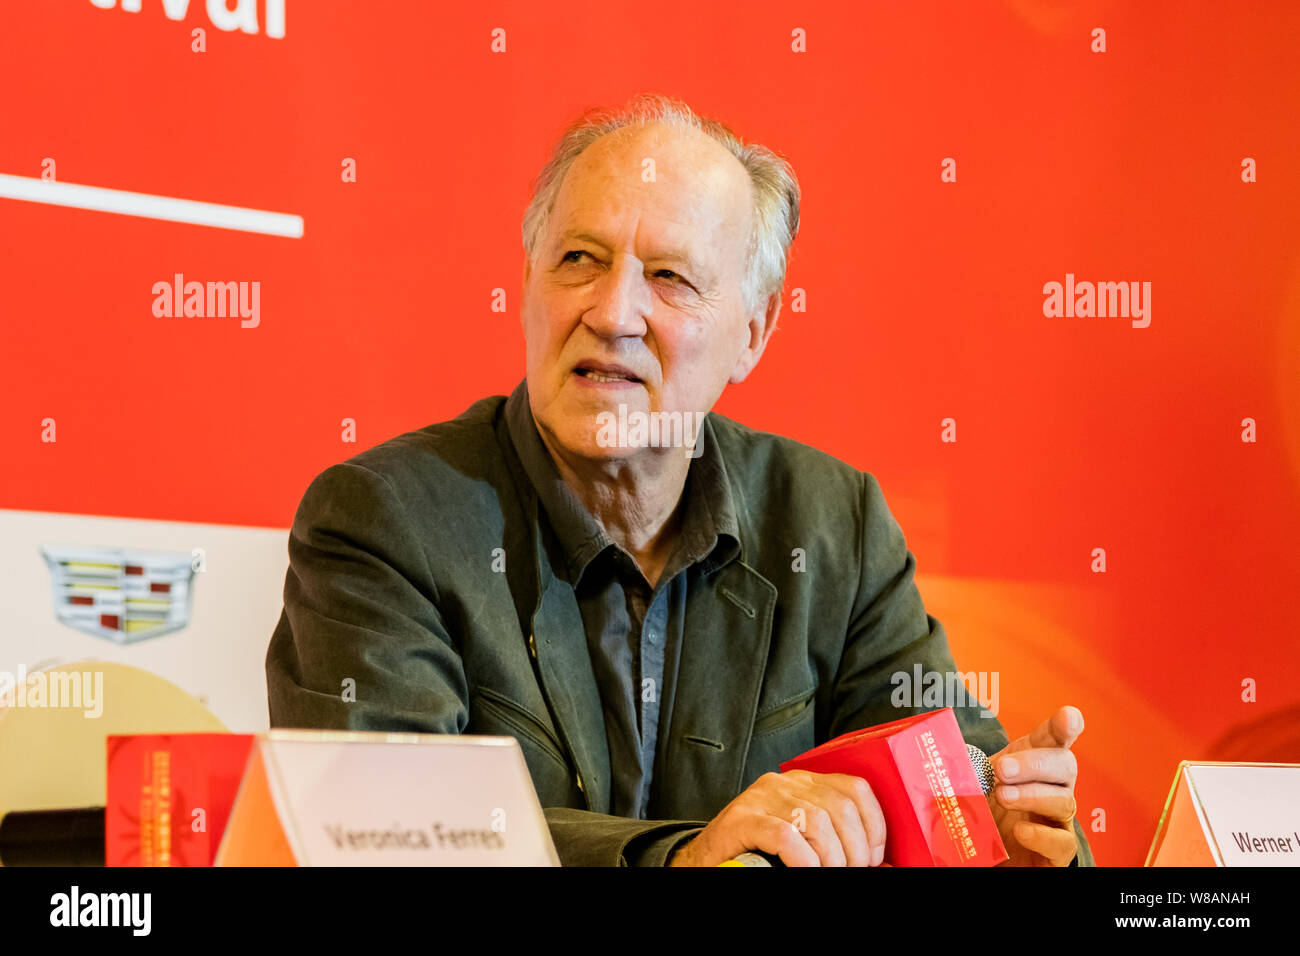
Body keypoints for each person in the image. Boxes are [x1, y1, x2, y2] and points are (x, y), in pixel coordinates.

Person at [266, 93, 1092, 867]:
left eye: (669, 278)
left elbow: (955, 781)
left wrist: (1014, 837)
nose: (614, 311)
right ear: (526, 286)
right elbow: (385, 837)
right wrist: (683, 856)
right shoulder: (383, 519)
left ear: (752, 335)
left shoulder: (834, 525)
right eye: (579, 259)